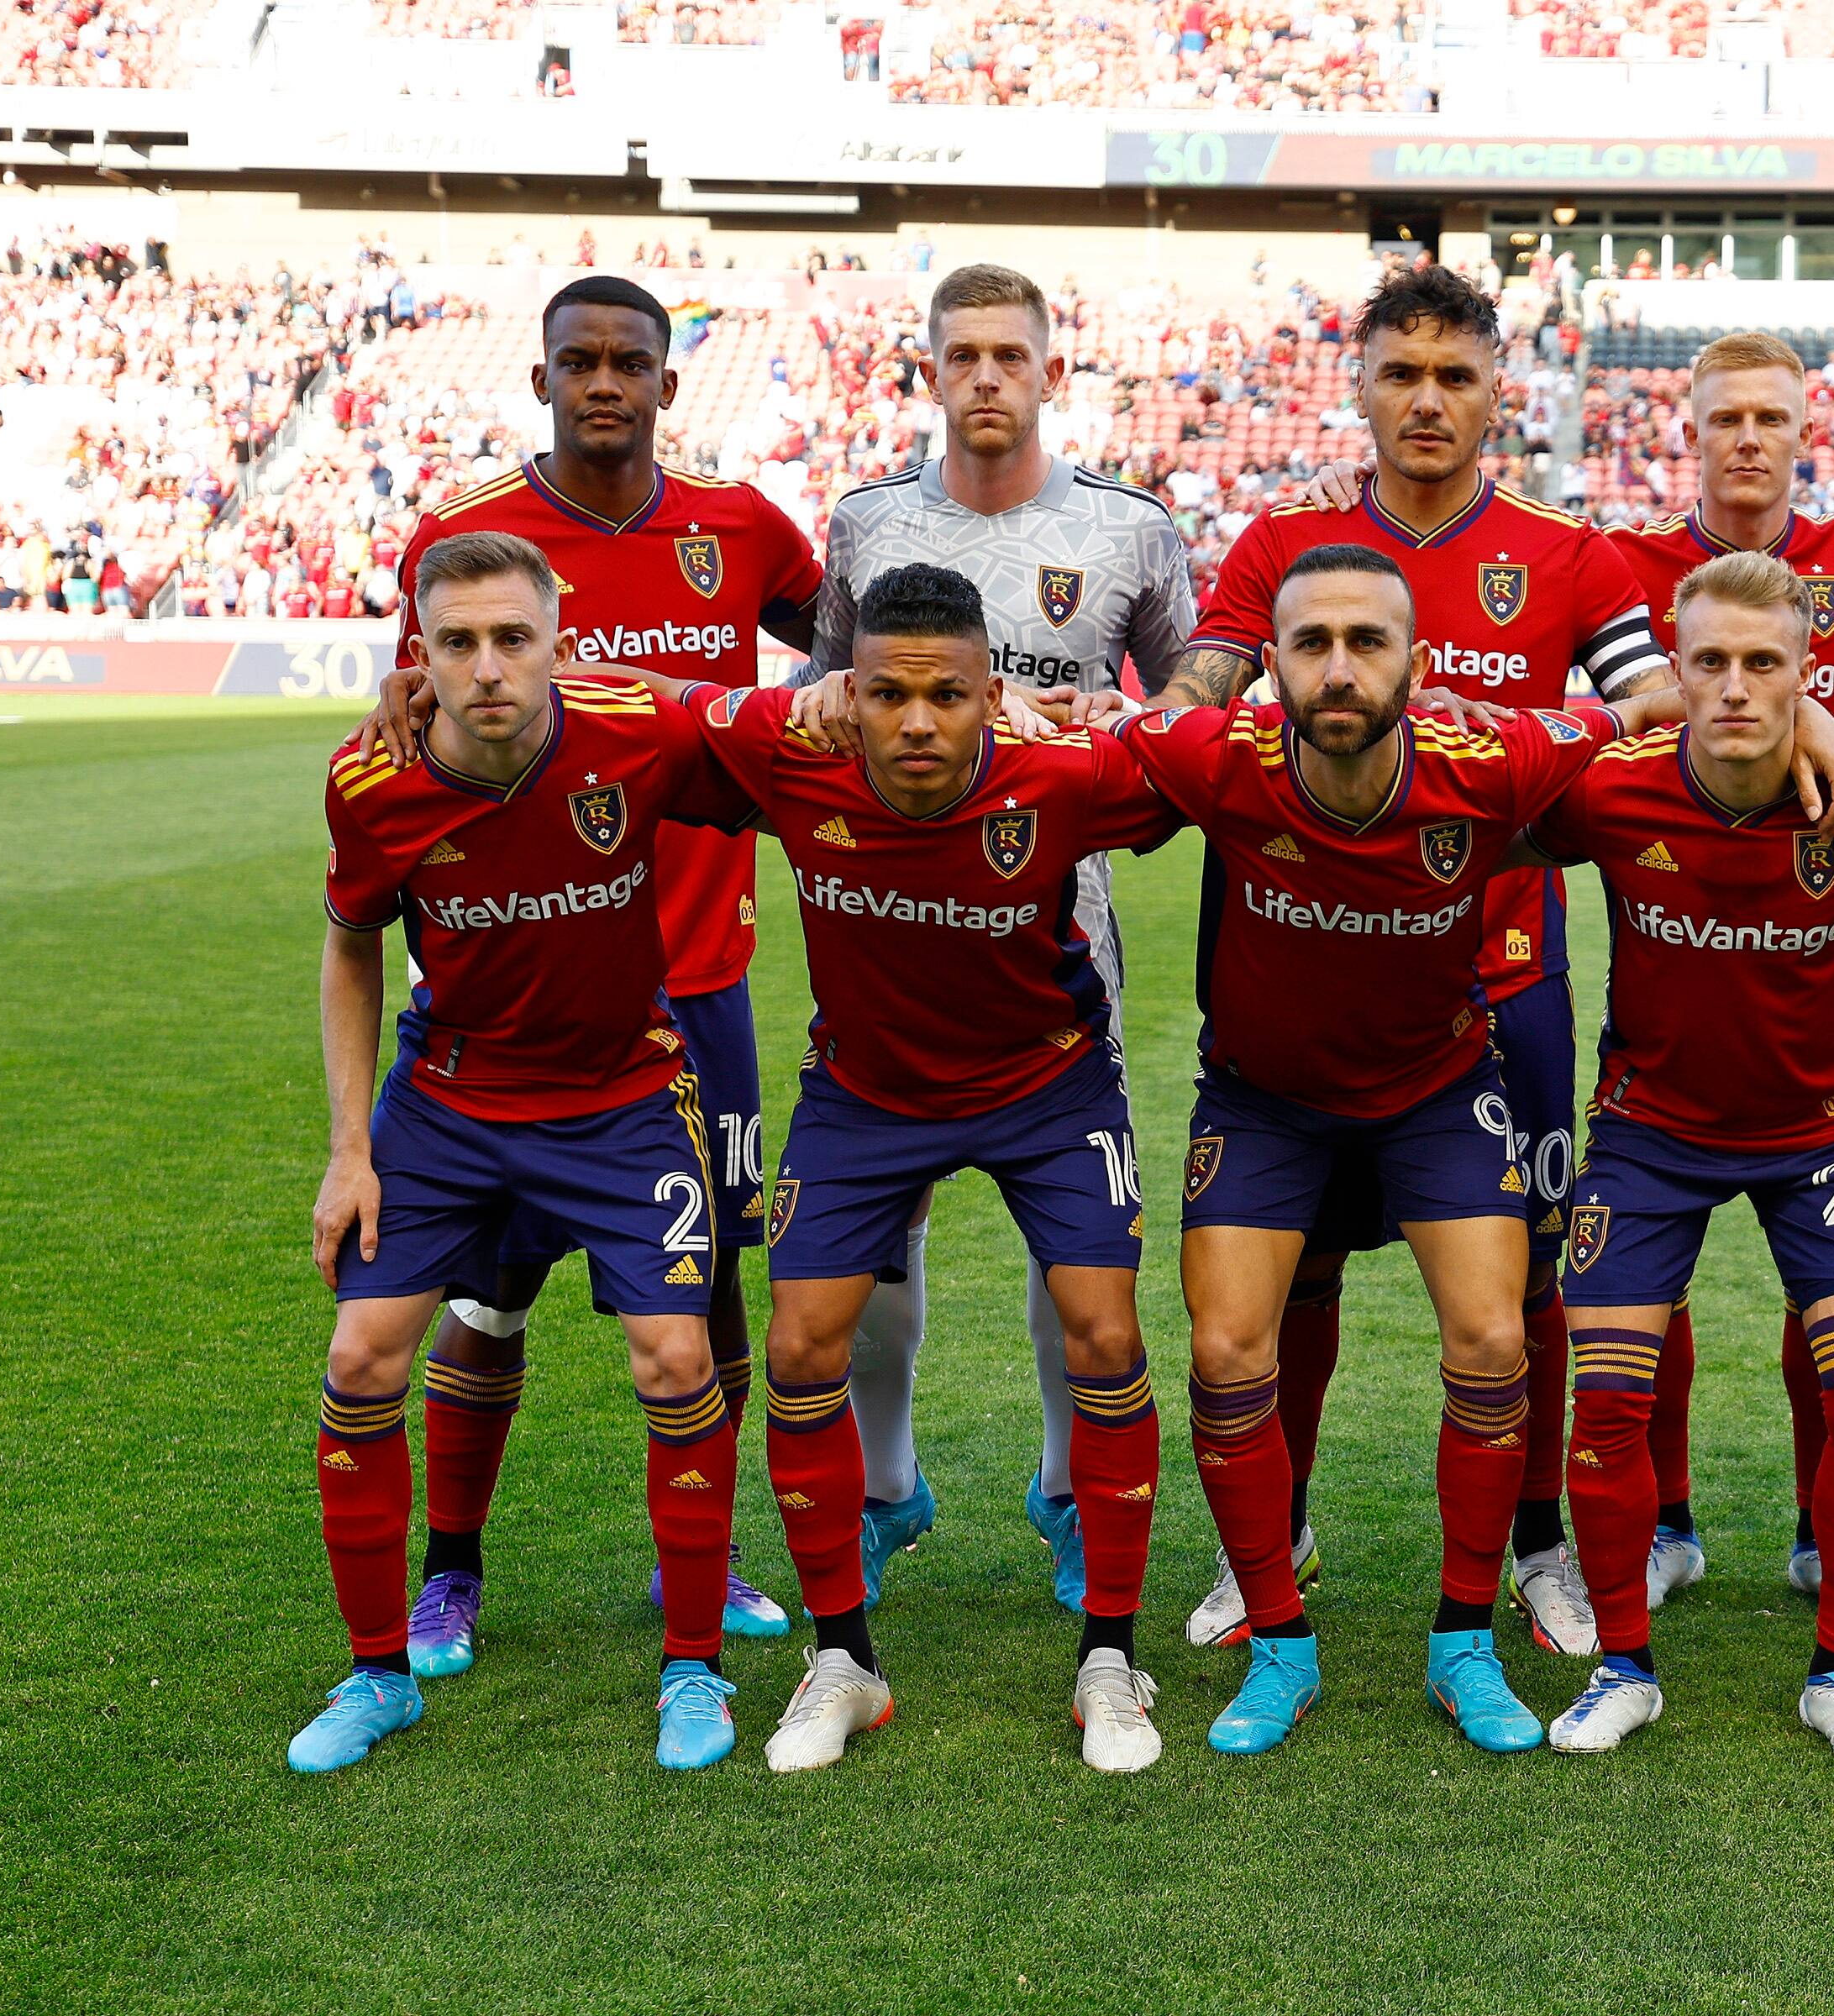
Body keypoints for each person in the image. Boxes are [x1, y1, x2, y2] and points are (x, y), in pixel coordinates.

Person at [1165, 266, 1834, 1666]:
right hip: (1312, 979)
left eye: (1455, 377)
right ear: (1360, 388)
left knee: (1530, 1285)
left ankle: (1538, 1546)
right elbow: (1201, 691)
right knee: (1293, 1276)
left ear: (1501, 394)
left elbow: (1656, 700)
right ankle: (1275, 1540)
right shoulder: (1283, 542)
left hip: (1505, 981)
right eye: (1400, 374)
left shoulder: (1567, 555)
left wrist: (1814, 724)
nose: (1427, 401)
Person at [1100, 542, 1688, 1756]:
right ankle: (1280, 1642)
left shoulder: (1490, 758)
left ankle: (1464, 1641)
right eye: (1312, 644)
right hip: (1264, 1102)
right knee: (1225, 1352)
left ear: (1417, 665)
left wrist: (1817, 726)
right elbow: (1076, 732)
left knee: (1494, 1339)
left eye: (1367, 642)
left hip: (1436, 1094)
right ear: (1271, 666)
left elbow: (1656, 706)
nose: (1339, 668)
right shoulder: (1218, 757)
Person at [356, 276, 823, 1680]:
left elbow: (849, 655)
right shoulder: (469, 540)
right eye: (580, 361)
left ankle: (708, 1560)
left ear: (670, 386)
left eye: (629, 362)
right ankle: (451, 1572)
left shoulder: (740, 528)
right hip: (527, 992)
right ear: (543, 379)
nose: (604, 382)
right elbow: (414, 729)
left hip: (699, 978)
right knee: (489, 1293)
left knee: (711, 1281)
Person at [671, 564, 1185, 1772]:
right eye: (888, 694)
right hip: (867, 1093)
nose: (916, 722)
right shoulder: (793, 756)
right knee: (802, 1345)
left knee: (1105, 1331)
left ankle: (1111, 1659)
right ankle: (842, 1661)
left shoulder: (1063, 775)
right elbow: (637, 707)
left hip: (1049, 1087)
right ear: (846, 691)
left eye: (946, 696)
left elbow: (1215, 766)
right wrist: (424, 687)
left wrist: (1123, 712)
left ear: (991, 695)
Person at [300, 530, 761, 1775]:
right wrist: (350, 1149)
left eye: (514, 638)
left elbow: (784, 745)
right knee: (361, 1356)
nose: (488, 668)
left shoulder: (635, 733)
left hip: (622, 1099)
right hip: (449, 1105)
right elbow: (350, 943)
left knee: (677, 1358)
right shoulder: (372, 779)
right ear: (419, 652)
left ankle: (692, 1669)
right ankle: (378, 1675)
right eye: (457, 643)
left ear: (560, 641)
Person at [793, 264, 1197, 1621]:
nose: (984, 376)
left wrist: (1110, 726)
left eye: (1008, 355)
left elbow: (1194, 713)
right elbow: (821, 696)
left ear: (1049, 373)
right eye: (960, 354)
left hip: (1060, 940)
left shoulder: (1129, 530)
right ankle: (886, 1488)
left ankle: (1069, 1491)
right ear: (928, 371)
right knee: (879, 1232)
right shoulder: (865, 523)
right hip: (892, 937)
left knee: (1070, 1242)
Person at [1526, 550, 1834, 1761]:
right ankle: (1624, 1668)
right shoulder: (1612, 791)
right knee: (1606, 1403)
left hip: (1816, 1136)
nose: (1733, 686)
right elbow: (1482, 785)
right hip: (1647, 1138)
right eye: (1710, 661)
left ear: (1808, 672)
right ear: (1674, 668)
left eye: (1764, 663)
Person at [1594, 331, 1834, 1625]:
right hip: (1672, 943)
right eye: (1725, 418)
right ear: (1690, 430)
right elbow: (1607, 726)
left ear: (1807, 431)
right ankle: (1668, 1522)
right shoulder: (1623, 565)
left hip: (1813, 961)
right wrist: (1816, 716)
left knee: (1830, 1300)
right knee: (1650, 1290)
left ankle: (1816, 1530)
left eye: (1772, 419)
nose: (1749, 438)